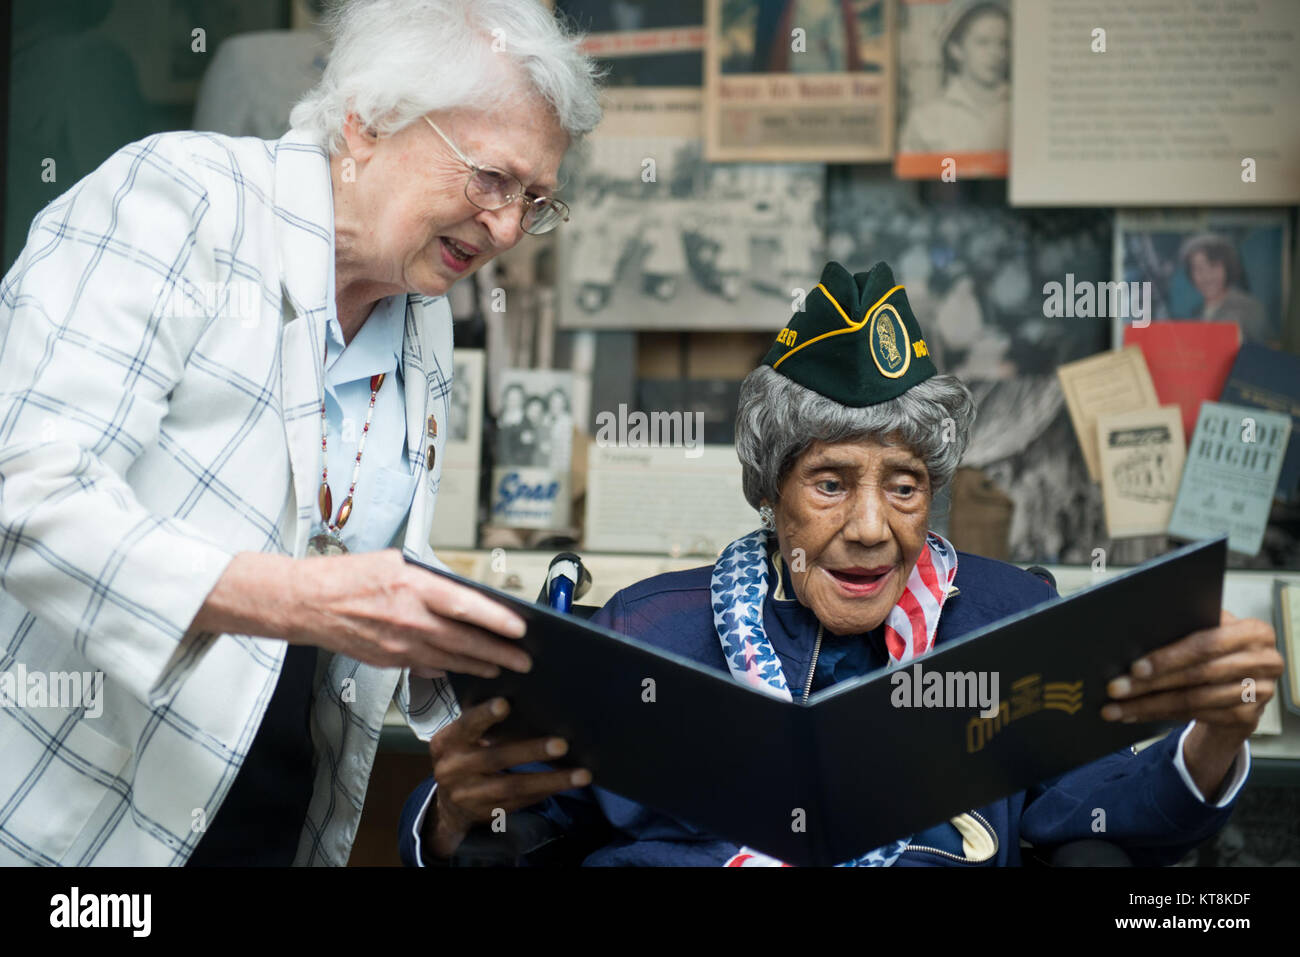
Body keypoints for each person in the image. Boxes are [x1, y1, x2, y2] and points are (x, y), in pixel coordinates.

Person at [401, 261, 1282, 866]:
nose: (871, 528)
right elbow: (514, 822)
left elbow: (1108, 814)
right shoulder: (649, 625)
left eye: (904, 487)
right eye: (829, 482)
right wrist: (450, 814)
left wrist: (1219, 733)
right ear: (769, 490)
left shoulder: (1009, 622)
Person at [0, 0, 601, 865]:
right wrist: (302, 600)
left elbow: (347, 543)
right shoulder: (180, 200)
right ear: (366, 126)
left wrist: (503, 671)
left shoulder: (419, 307)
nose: (509, 227)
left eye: (536, 200)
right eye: (491, 179)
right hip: (83, 828)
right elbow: (29, 497)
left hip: (274, 826)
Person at [899, 0, 1009, 154]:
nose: (996, 54)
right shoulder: (926, 119)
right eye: (983, 42)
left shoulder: (1021, 109)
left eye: (1003, 44)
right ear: (956, 49)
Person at [1179, 233, 1274, 345]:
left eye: (1213, 266)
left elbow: (1268, 353)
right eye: (1198, 269)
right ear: (1191, 274)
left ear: (1227, 268)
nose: (1206, 276)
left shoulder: (1250, 309)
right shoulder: (1195, 314)